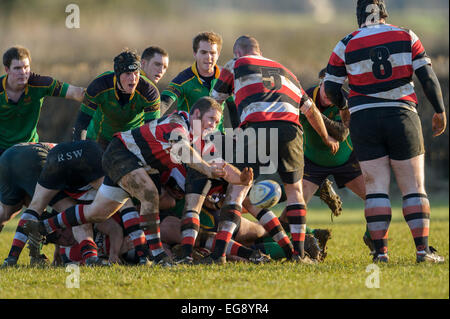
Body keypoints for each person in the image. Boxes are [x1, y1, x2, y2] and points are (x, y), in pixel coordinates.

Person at [24, 97, 253, 267]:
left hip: (132, 163)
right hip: (121, 153)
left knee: (97, 213)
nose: (215, 124)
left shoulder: (201, 138)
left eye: (218, 120)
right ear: (195, 115)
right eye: (211, 119)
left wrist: (240, 178)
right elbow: (183, 150)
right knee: (149, 194)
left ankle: (43, 226)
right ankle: (156, 254)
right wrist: (205, 168)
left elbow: (219, 166)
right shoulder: (177, 123)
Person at [324, 0, 447, 263]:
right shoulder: (406, 35)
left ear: (360, 15)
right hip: (402, 115)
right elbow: (427, 77)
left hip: (364, 119)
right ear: (384, 13)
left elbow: (330, 90)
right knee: (413, 187)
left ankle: (381, 253)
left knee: (376, 188)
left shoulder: (346, 43)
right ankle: (423, 252)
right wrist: (439, 110)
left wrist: (344, 107)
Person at [203, 35, 339, 265]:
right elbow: (311, 110)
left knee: (239, 188)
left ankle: (219, 255)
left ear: (238, 52)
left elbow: (213, 102)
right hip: (290, 128)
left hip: (256, 126)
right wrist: (327, 138)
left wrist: (206, 136)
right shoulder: (285, 71)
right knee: (295, 191)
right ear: (260, 51)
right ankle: (299, 255)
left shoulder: (235, 64)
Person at [0, 141, 108, 267]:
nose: (67, 239)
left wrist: (57, 248)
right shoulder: (96, 169)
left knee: (7, 214)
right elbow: (69, 215)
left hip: (8, 156)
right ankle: (91, 258)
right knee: (76, 214)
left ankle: (16, 258)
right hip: (35, 156)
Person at [0, 46, 85, 155]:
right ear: (7, 70)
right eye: (17, 68)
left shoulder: (39, 83)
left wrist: (101, 93)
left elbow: (76, 93)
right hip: (2, 150)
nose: (23, 72)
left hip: (29, 148)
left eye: (26, 67)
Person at [72, 49, 160, 150]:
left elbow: (151, 131)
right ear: (117, 75)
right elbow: (81, 123)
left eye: (136, 73)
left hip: (132, 141)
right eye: (127, 73)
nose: (133, 78)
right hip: (99, 138)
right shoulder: (99, 85)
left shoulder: (149, 92)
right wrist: (79, 150)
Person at [160, 31, 230, 128]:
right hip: (190, 136)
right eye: (203, 52)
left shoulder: (226, 77)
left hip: (216, 137)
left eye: (212, 53)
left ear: (218, 54)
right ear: (195, 53)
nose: (208, 57)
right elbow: (164, 102)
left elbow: (234, 108)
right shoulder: (183, 78)